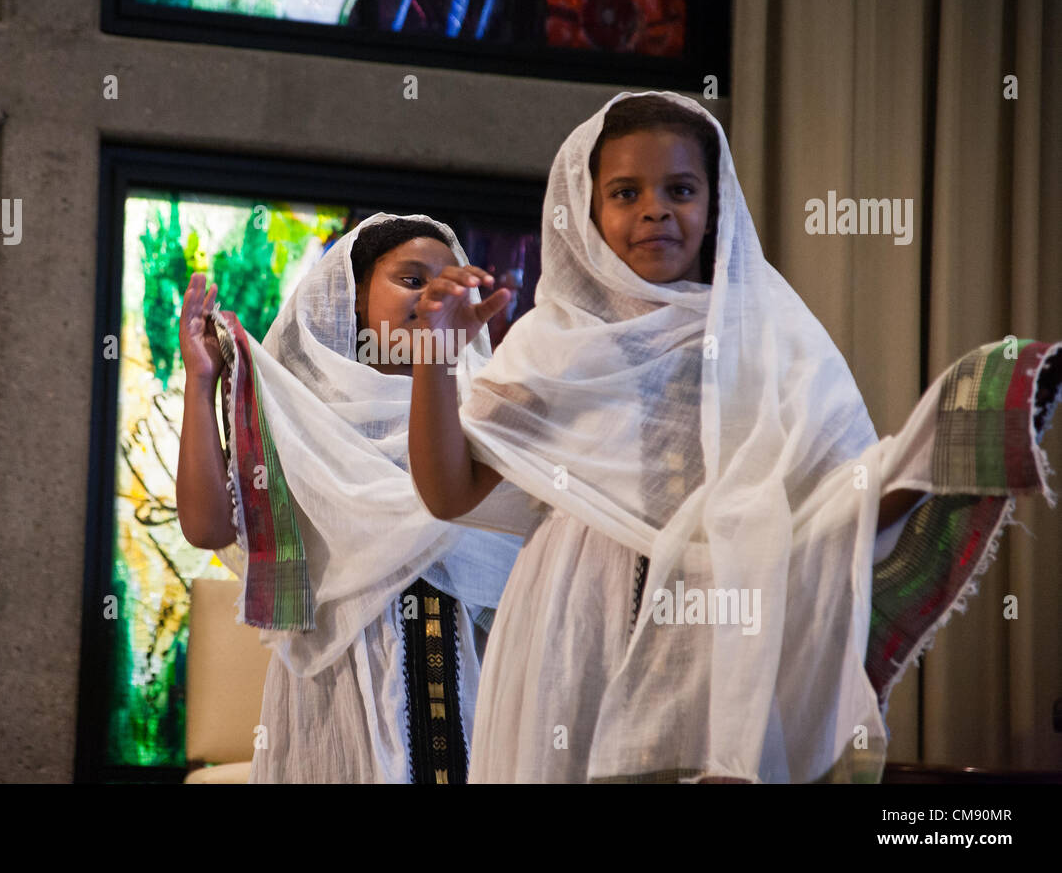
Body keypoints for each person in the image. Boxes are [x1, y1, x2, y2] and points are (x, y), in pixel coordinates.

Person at [407, 90, 1061, 783]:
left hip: (718, 646)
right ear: (587, 212)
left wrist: (944, 440)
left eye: (680, 189)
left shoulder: (771, 337)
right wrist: (435, 358)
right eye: (625, 192)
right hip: (571, 635)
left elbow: (838, 503)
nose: (654, 209)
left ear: (715, 206)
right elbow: (449, 494)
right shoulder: (552, 345)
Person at [176, 213, 526, 783]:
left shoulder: (485, 410)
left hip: (474, 681)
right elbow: (206, 526)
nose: (434, 297)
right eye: (412, 280)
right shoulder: (304, 417)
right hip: (335, 690)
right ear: (354, 297)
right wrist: (200, 382)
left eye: (448, 284)